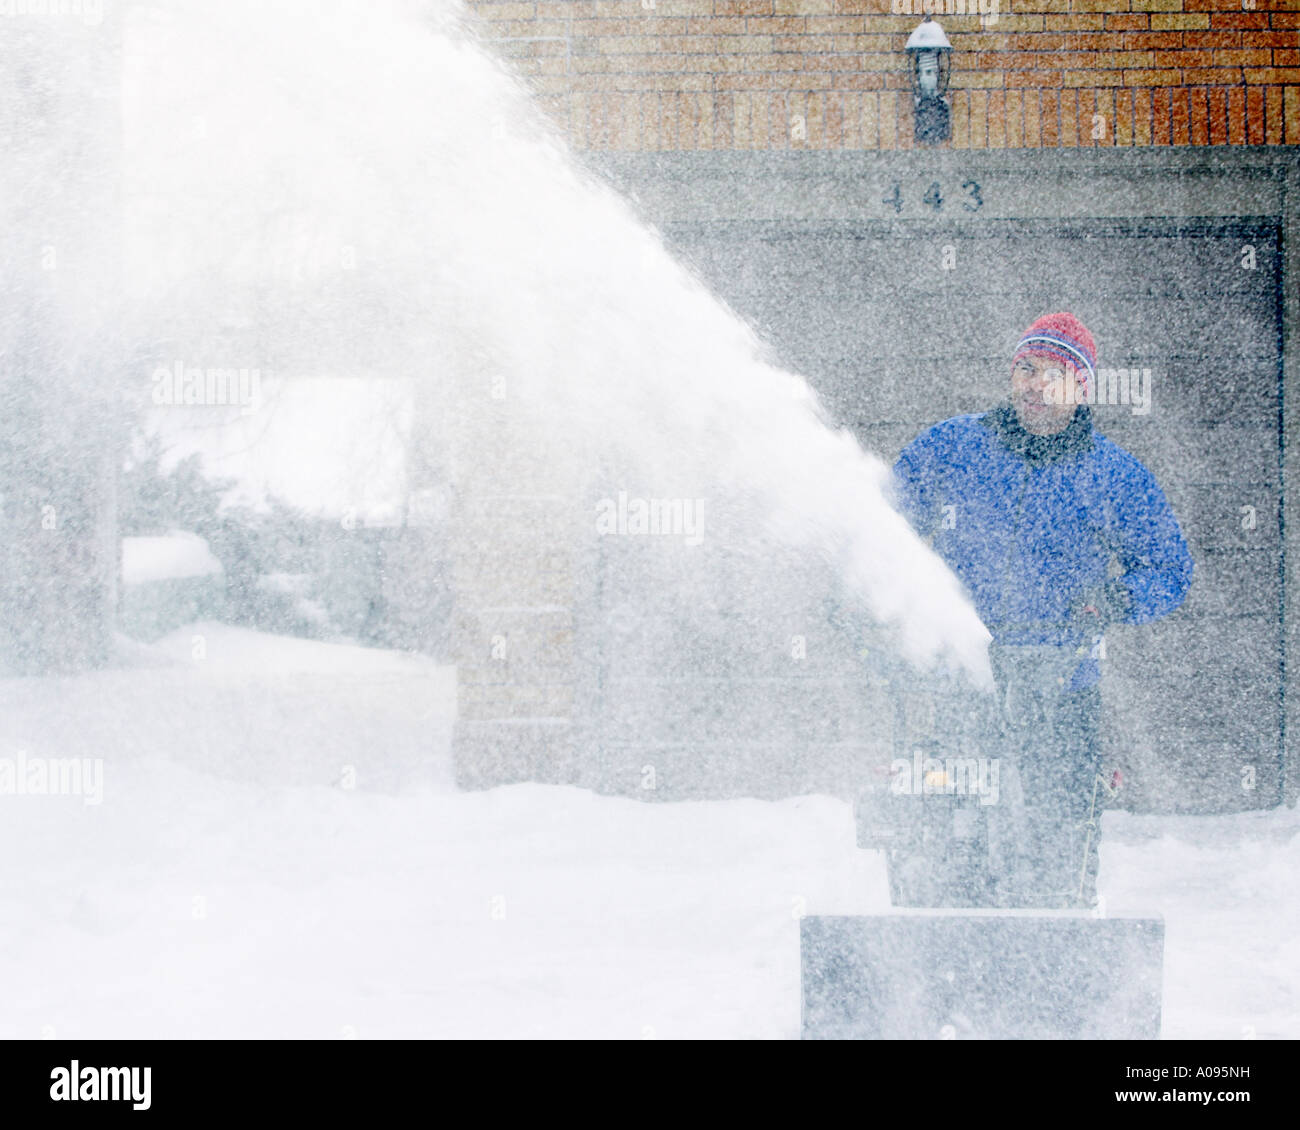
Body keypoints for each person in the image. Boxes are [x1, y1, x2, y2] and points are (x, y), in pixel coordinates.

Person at [891, 312, 1193, 907]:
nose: (1034, 384)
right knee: (951, 834)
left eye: (1052, 373)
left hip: (1062, 686)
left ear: (1081, 388)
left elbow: (1170, 569)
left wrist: (1116, 598)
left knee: (1059, 835)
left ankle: (1057, 941)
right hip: (963, 679)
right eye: (1025, 369)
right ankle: (948, 941)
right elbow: (882, 519)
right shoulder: (954, 447)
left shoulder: (1113, 475)